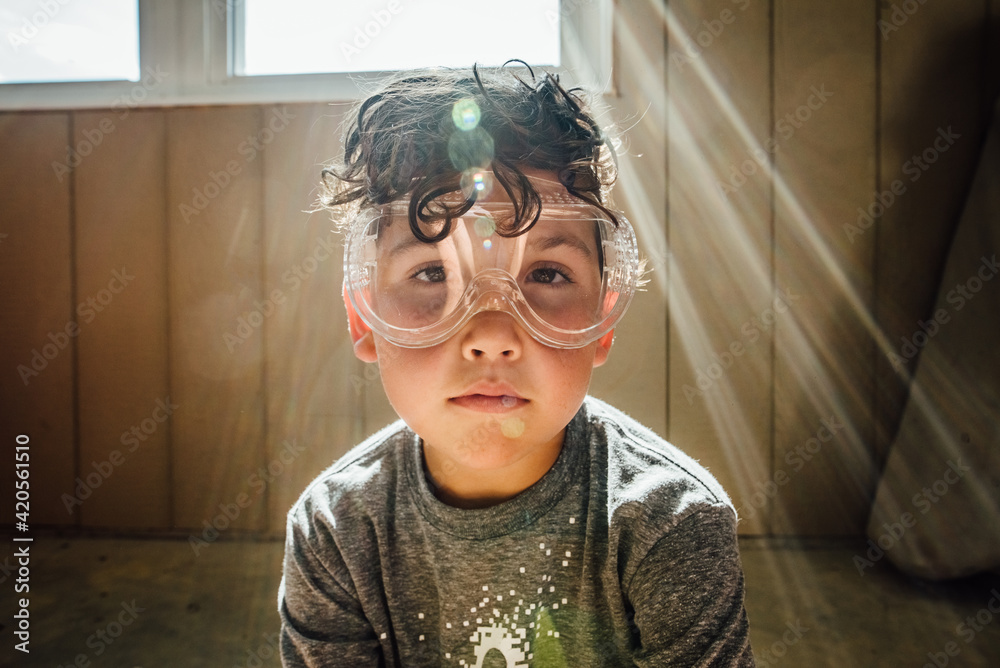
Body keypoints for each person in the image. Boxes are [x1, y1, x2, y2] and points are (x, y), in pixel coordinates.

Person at [278, 61, 754, 667]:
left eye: (547, 274)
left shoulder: (670, 525)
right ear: (362, 318)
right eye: (431, 273)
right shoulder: (334, 531)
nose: (493, 336)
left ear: (603, 319)